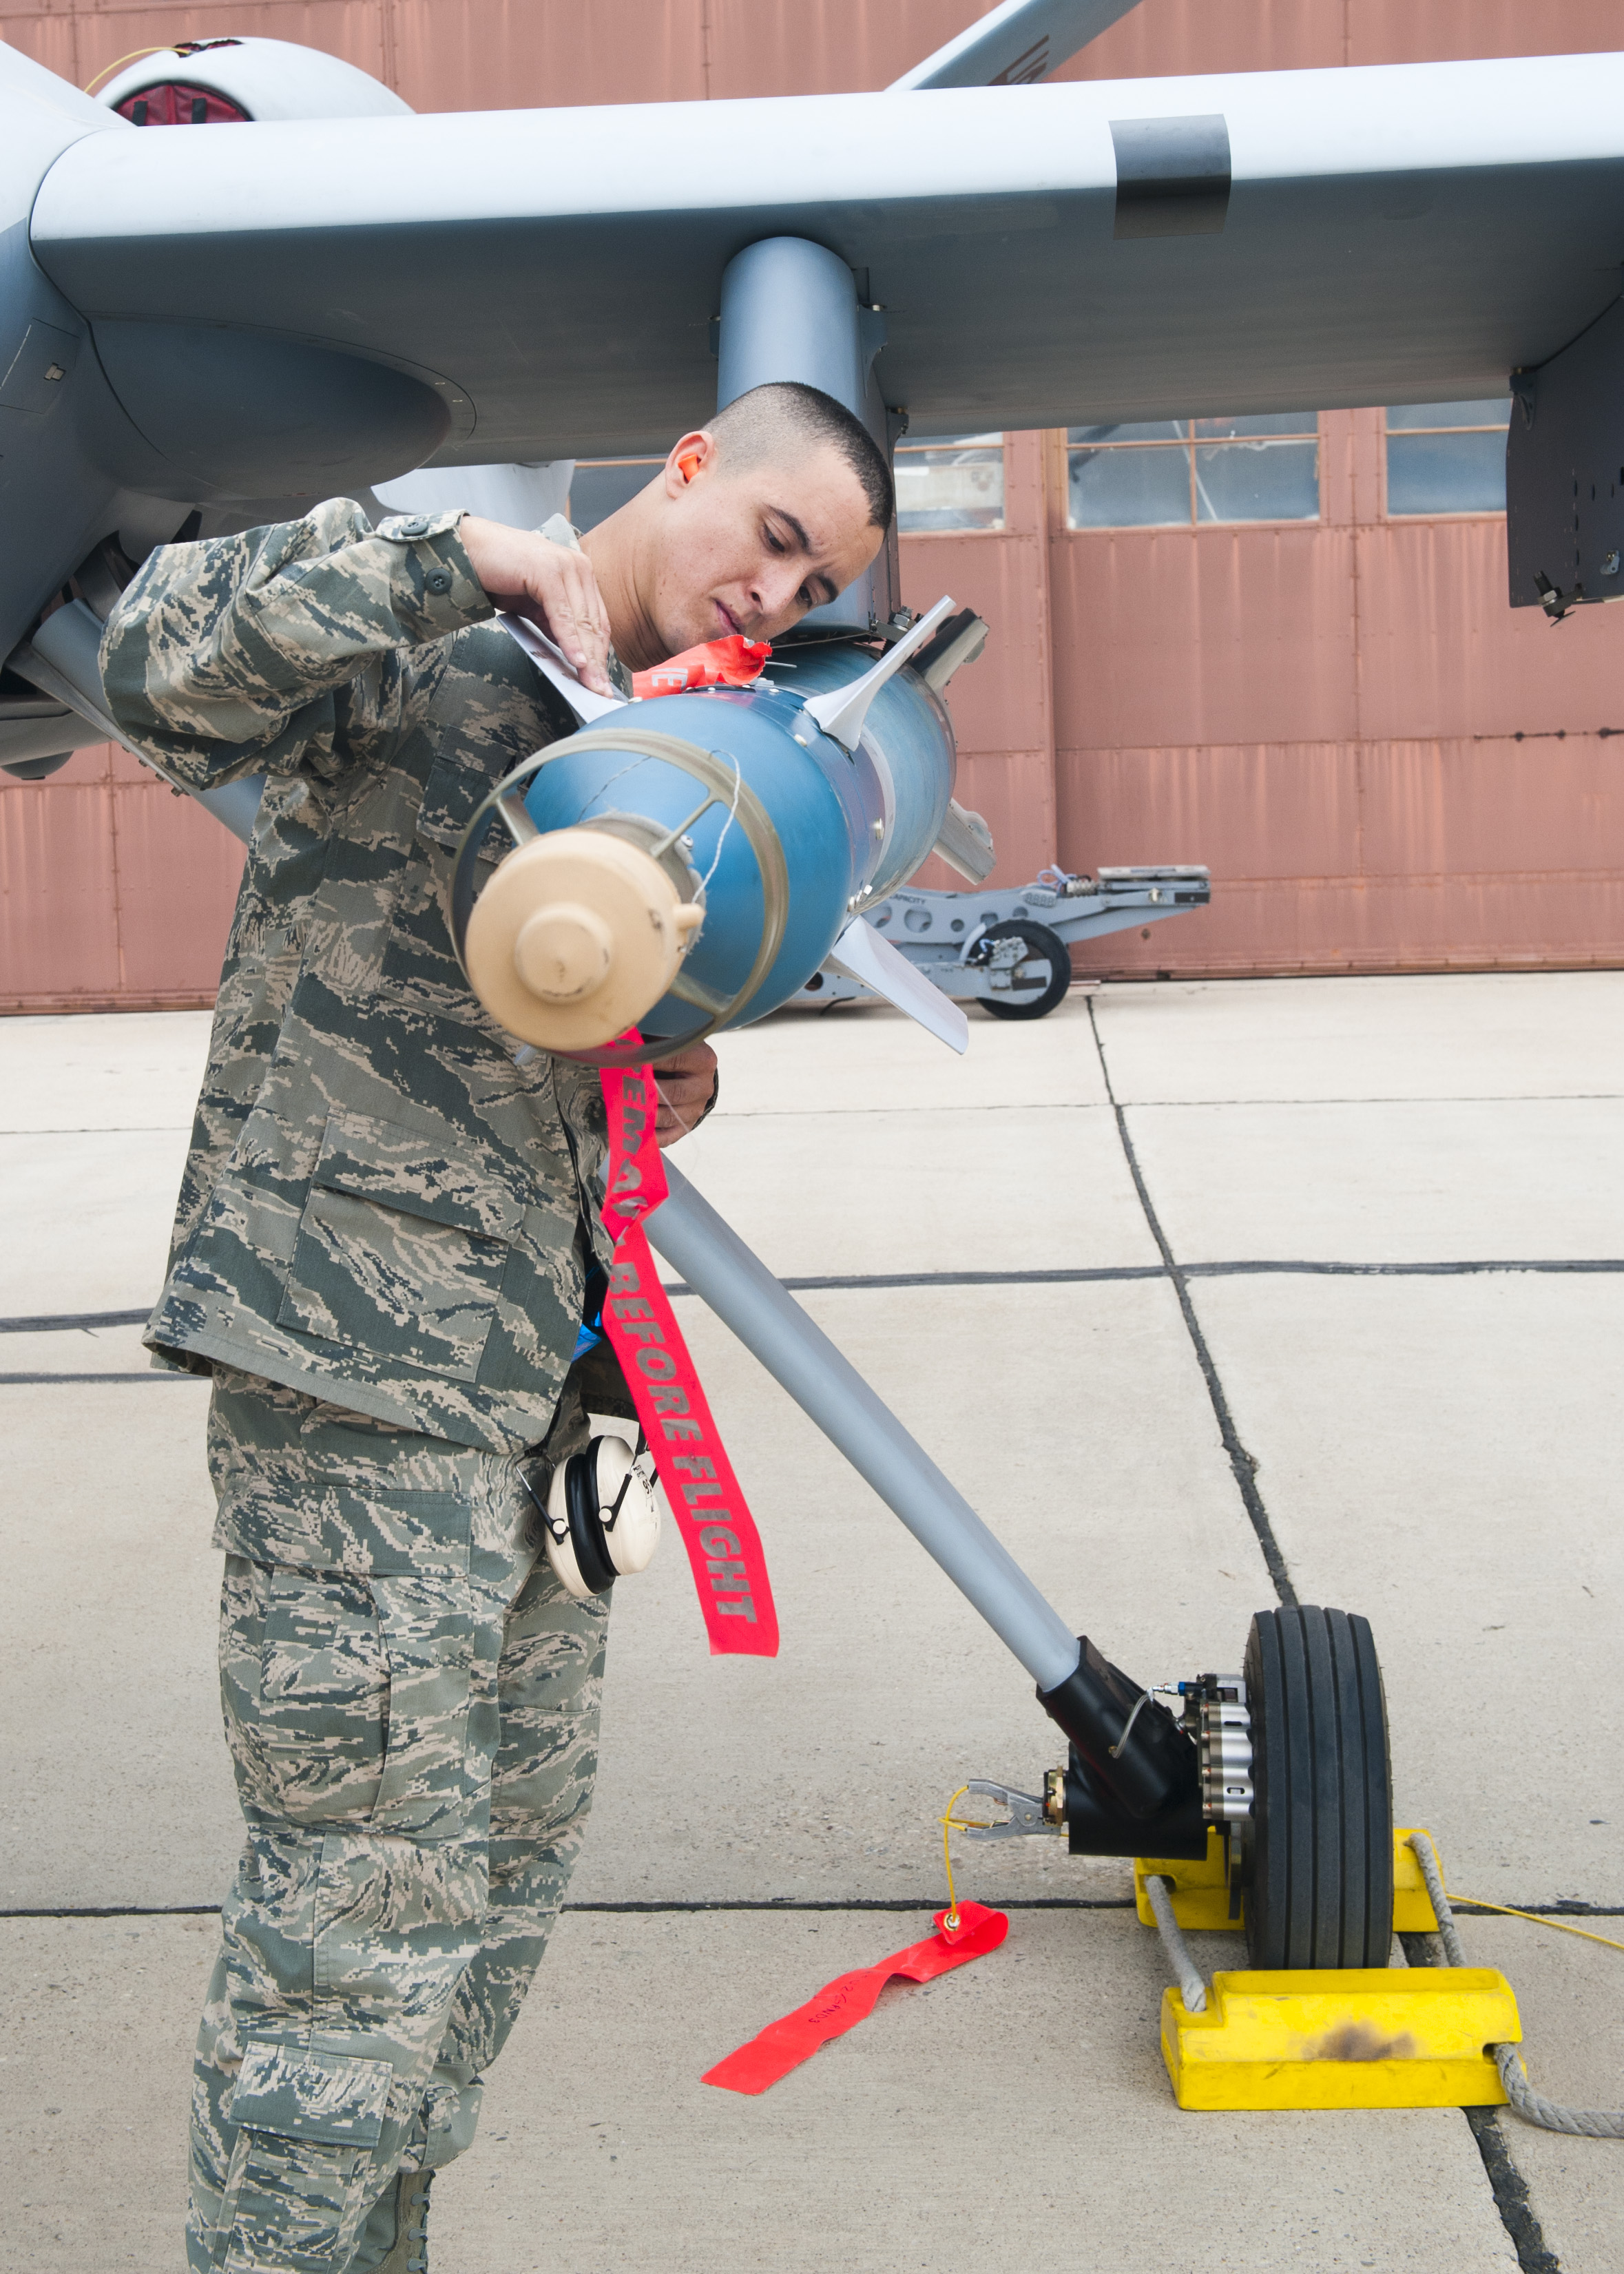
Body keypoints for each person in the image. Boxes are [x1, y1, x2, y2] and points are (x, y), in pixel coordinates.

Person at [100, 380, 892, 2274]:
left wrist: (655, 1067)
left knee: (488, 1905)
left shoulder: (662, 739)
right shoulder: (430, 625)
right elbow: (155, 661)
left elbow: (537, 1006)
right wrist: (452, 555)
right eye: (773, 537)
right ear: (690, 461)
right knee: (353, 1926)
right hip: (357, 1380)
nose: (775, 595)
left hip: (536, 1401)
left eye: (820, 586)